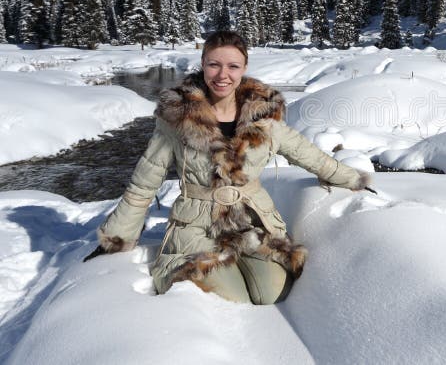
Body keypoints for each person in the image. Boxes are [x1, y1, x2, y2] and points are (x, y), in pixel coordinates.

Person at [87, 30, 371, 304]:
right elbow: (145, 181)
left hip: (253, 223)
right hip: (196, 226)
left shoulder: (264, 117)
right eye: (214, 65)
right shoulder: (177, 117)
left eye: (233, 66)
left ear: (244, 67)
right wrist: (117, 237)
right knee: (228, 297)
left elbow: (310, 156)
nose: (223, 75)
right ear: (203, 65)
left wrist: (354, 179)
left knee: (270, 292)